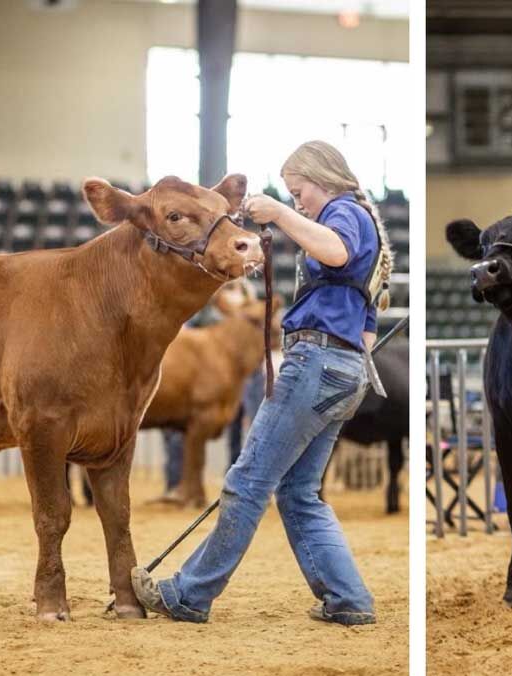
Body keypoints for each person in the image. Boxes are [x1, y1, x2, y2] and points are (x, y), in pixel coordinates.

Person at [131, 140, 393, 625]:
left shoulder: (344, 213)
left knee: (247, 480)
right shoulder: (366, 223)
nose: (297, 202)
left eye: (299, 191)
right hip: (345, 365)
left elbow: (334, 253)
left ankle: (190, 594)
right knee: (298, 492)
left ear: (321, 177)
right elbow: (367, 318)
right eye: (291, 197)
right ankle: (348, 599)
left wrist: (278, 214)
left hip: (315, 361)